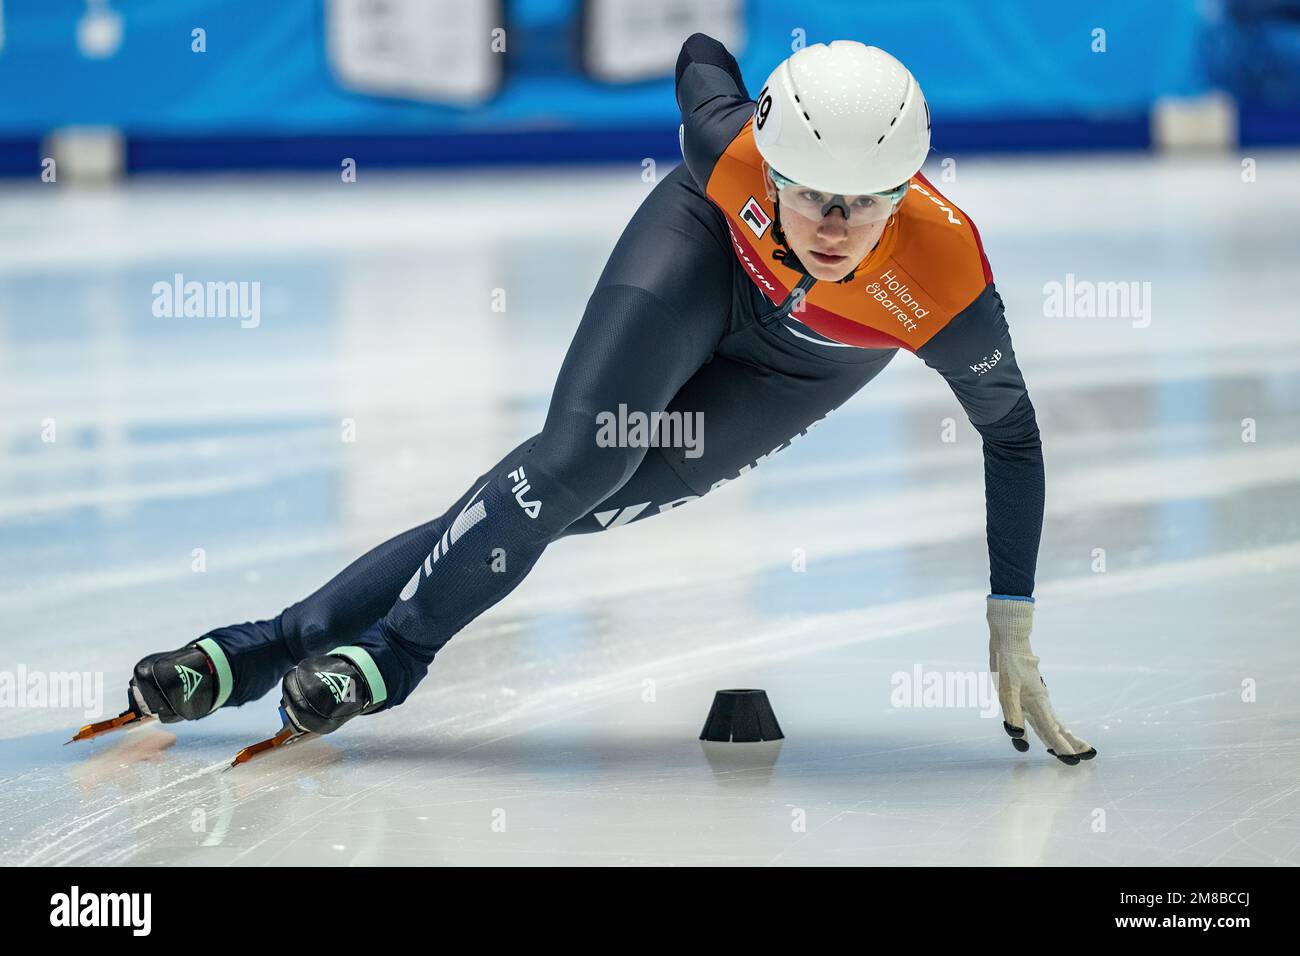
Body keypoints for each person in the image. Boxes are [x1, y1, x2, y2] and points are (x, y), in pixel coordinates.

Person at [124, 35, 1095, 764]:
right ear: (770, 155)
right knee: (574, 461)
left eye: (866, 202)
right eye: (809, 197)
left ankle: (262, 649)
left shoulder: (946, 282)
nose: (835, 229)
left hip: (794, 368)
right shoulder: (731, 149)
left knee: (554, 503)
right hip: (699, 257)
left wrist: (1010, 610)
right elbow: (700, 55)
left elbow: (1010, 437)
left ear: (906, 186)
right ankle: (383, 661)